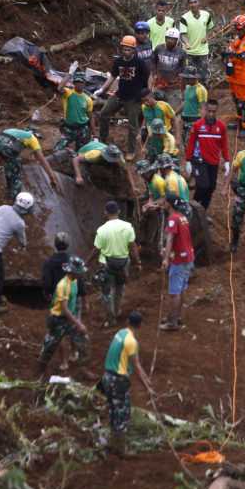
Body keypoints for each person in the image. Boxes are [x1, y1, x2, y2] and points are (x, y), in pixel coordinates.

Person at [100, 310, 154, 456]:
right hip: (118, 381)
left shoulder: (120, 333)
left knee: (113, 410)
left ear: (128, 322)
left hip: (107, 377)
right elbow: (136, 366)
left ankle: (112, 443)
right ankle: (121, 449)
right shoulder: (132, 342)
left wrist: (147, 380)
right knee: (122, 413)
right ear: (140, 325)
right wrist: (147, 387)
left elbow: (136, 365)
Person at [95, 36, 150, 159]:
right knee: (104, 113)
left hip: (134, 98)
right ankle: (102, 141)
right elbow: (112, 76)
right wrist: (102, 89)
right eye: (124, 49)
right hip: (120, 94)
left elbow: (148, 78)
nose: (126, 52)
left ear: (134, 50)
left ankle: (131, 150)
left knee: (133, 125)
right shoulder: (118, 62)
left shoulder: (140, 63)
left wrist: (146, 93)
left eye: (129, 49)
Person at [88, 200, 141, 329]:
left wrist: (87, 262)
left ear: (105, 213)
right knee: (119, 288)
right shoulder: (128, 227)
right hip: (123, 263)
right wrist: (138, 262)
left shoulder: (102, 230)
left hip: (106, 264)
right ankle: (117, 311)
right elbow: (133, 246)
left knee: (107, 292)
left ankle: (110, 318)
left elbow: (96, 249)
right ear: (118, 211)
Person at [37, 255, 90, 381]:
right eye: (79, 272)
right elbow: (64, 309)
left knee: (83, 340)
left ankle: (84, 370)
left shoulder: (74, 281)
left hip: (68, 318)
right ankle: (40, 371)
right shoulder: (63, 285)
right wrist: (78, 323)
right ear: (73, 272)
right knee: (50, 346)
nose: (81, 274)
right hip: (58, 319)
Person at [0, 126, 61, 200]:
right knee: (16, 170)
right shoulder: (32, 139)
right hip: (6, 147)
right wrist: (52, 178)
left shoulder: (17, 133)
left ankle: (9, 187)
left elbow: (2, 150)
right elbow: (42, 160)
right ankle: (14, 197)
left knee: (9, 160)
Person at [185, 99, 229, 210]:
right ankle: (192, 207)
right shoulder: (197, 125)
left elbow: (224, 145)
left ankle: (203, 210)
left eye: (213, 111)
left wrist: (227, 161)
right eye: (209, 111)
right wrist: (188, 160)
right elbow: (191, 143)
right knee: (202, 186)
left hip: (214, 161)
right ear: (205, 110)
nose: (211, 114)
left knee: (211, 187)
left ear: (217, 111)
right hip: (199, 160)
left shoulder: (221, 127)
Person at [160, 197, 195, 331]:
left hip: (180, 260)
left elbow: (170, 239)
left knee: (175, 292)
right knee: (181, 289)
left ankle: (172, 323)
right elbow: (181, 239)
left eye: (164, 202)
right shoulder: (182, 217)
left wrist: (166, 258)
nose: (162, 204)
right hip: (188, 257)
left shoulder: (173, 219)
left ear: (169, 204)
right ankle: (176, 316)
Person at [224, 15, 245, 136]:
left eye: (239, 29)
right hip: (233, 75)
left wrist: (233, 53)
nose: (237, 31)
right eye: (236, 29)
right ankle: (239, 121)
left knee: (243, 102)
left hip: (242, 76)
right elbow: (230, 50)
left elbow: (244, 54)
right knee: (236, 99)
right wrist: (227, 54)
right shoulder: (237, 39)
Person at [179, 0, 215, 85]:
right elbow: (183, 34)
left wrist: (207, 37)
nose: (193, 4)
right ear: (188, 5)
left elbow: (211, 28)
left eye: (195, 2)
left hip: (202, 52)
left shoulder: (206, 15)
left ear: (199, 3)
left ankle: (203, 92)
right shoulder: (184, 18)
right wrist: (186, 43)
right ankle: (190, 93)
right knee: (189, 78)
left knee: (203, 77)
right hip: (189, 53)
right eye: (191, 3)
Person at [56, 71, 95, 152]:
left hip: (82, 128)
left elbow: (90, 117)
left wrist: (94, 133)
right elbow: (59, 88)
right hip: (69, 128)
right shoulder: (68, 93)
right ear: (74, 83)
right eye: (77, 82)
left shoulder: (88, 99)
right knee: (58, 149)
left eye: (81, 82)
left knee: (81, 151)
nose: (79, 84)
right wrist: (69, 74)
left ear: (84, 83)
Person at [150, 28, 187, 111]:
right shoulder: (159, 48)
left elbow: (183, 70)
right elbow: (153, 62)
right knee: (157, 108)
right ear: (165, 38)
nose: (170, 41)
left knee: (173, 110)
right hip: (160, 84)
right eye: (168, 38)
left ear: (177, 40)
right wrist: (154, 75)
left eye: (173, 39)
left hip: (174, 87)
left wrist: (183, 89)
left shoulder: (182, 53)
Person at [179, 67, 209, 146]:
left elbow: (203, 107)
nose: (185, 80)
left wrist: (202, 124)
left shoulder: (200, 89)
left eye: (187, 78)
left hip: (195, 120)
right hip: (185, 120)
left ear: (194, 78)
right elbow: (185, 102)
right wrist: (175, 113)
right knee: (186, 143)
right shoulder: (188, 88)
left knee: (193, 143)